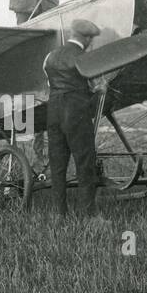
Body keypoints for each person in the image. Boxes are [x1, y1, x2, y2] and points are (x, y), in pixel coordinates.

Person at [43, 18, 101, 216]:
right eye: (91, 39)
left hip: (53, 112)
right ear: (85, 38)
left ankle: (59, 214)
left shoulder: (50, 56)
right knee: (85, 163)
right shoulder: (84, 58)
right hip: (76, 113)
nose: (91, 43)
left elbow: (50, 85)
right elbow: (96, 86)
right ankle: (89, 216)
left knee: (58, 165)